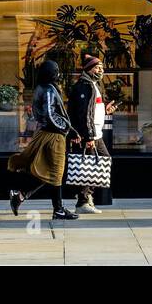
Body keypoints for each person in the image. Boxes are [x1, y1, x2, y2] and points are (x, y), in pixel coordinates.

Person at [8, 59, 79, 220]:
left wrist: (70, 130)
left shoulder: (43, 87)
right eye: (56, 71)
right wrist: (65, 130)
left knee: (48, 171)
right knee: (55, 172)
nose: (58, 74)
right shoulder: (48, 90)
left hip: (47, 133)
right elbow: (50, 114)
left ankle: (20, 196)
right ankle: (58, 209)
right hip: (53, 136)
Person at [67, 53, 115, 213]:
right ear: (88, 70)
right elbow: (83, 114)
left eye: (101, 67)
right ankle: (83, 201)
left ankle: (85, 199)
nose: (100, 70)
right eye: (97, 67)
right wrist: (88, 137)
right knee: (88, 164)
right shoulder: (84, 87)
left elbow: (93, 108)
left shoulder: (94, 85)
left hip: (95, 133)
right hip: (89, 134)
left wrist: (106, 108)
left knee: (97, 162)